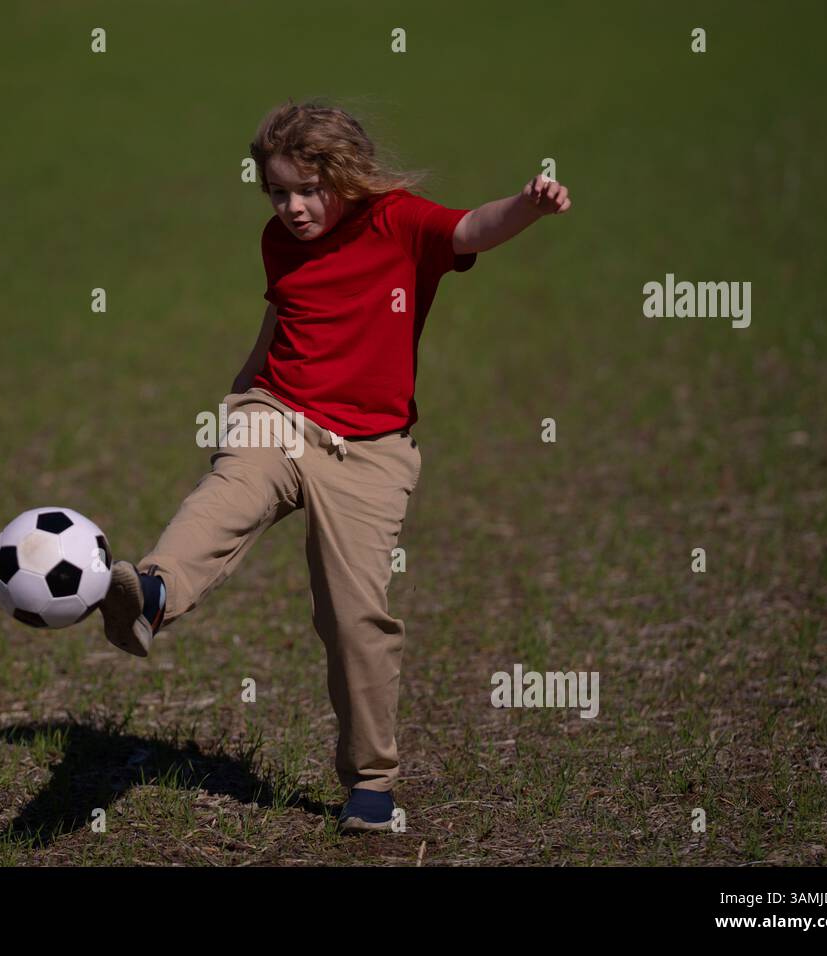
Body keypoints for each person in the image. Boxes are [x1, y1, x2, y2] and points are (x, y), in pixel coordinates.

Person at [99, 98, 571, 833]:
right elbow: (283, 315)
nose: (291, 207)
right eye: (277, 192)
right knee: (230, 489)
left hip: (371, 451)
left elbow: (474, 227)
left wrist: (530, 204)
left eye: (306, 190)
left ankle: (372, 785)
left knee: (352, 618)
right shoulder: (278, 241)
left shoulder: (401, 222)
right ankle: (152, 594)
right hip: (279, 411)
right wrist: (239, 394)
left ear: (345, 175)